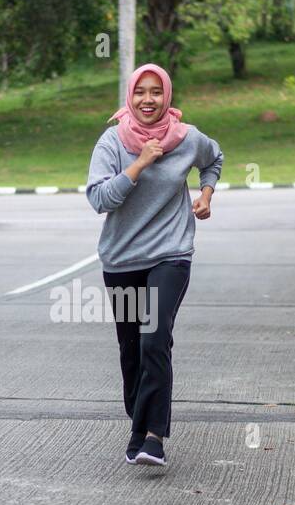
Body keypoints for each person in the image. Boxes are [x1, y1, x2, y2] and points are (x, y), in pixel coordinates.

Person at [86, 63, 223, 467]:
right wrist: (139, 163)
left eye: (156, 92)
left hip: (171, 254)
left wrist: (207, 193)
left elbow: (214, 158)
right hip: (122, 259)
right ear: (131, 96)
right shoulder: (112, 142)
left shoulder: (186, 138)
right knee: (131, 351)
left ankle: (152, 437)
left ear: (168, 96)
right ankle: (138, 424)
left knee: (153, 336)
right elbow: (99, 200)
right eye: (141, 92)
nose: (149, 100)